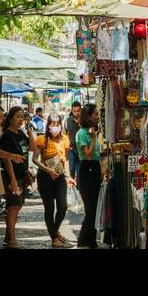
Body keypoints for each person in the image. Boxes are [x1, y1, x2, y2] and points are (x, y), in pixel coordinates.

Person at [33, 112, 74, 248]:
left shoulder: (64, 139)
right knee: (49, 208)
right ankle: (53, 237)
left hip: (60, 176)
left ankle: (54, 231)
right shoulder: (42, 139)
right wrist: (48, 170)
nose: (55, 127)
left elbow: (66, 160)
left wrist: (68, 177)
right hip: (45, 177)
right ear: (48, 125)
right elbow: (34, 159)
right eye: (52, 124)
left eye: (57, 124)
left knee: (62, 207)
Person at [0, 106, 32, 248]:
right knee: (13, 207)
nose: (20, 119)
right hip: (13, 177)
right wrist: (12, 181)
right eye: (18, 116)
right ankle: (12, 240)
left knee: (16, 207)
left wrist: (29, 128)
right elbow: (7, 160)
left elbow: (32, 148)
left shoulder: (21, 134)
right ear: (10, 118)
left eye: (22, 117)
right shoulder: (6, 135)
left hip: (21, 176)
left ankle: (8, 237)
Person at [74, 102, 103, 249]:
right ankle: (83, 241)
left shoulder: (92, 131)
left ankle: (90, 241)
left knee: (94, 209)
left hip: (95, 168)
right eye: (96, 114)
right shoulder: (82, 133)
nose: (98, 117)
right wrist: (93, 138)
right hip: (87, 169)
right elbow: (88, 154)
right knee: (90, 209)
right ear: (89, 116)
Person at [65, 101, 85, 178]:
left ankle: (79, 186)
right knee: (71, 169)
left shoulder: (84, 120)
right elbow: (65, 134)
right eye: (74, 111)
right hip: (71, 148)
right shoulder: (68, 120)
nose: (77, 113)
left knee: (79, 170)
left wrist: (81, 125)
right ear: (72, 110)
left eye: (78, 111)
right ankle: (72, 183)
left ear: (81, 110)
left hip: (82, 149)